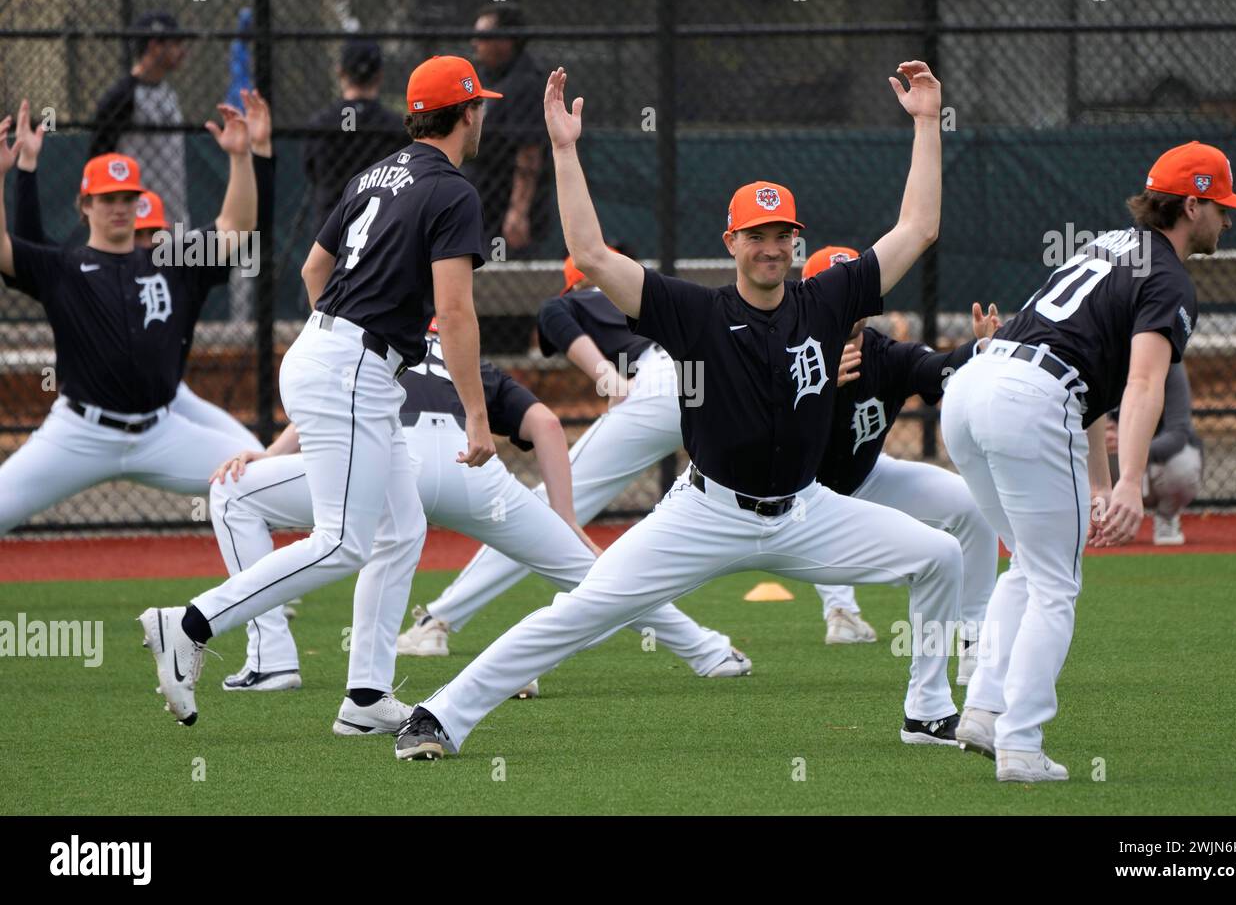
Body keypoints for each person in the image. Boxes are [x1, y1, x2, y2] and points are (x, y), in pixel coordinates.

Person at [392, 60, 961, 761]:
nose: (771, 247)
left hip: (807, 510)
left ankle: (928, 710)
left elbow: (919, 227)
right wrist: (565, 151)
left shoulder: (829, 298)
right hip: (708, 513)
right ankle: (441, 714)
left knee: (940, 555)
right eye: (756, 235)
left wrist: (928, 122)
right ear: (732, 244)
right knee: (584, 609)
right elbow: (592, 257)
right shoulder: (695, 312)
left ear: (796, 243)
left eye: (782, 234)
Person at [140, 55, 500, 734]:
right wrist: (476, 415)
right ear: (467, 112)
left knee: (401, 530)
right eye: (480, 104)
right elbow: (454, 314)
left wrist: (341, 338)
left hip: (326, 348)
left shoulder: (373, 174)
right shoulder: (454, 191)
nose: (484, 114)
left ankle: (364, 699)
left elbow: (315, 267)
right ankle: (187, 624)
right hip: (353, 364)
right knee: (342, 543)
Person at [208, 322, 748, 705]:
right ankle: (708, 652)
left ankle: (277, 660)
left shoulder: (369, 344)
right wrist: (567, 520)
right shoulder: (467, 362)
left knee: (239, 497)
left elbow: (340, 410)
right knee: (594, 573)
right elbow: (548, 426)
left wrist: (271, 454)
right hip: (473, 471)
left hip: (395, 458)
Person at [943, 141, 1236, 782]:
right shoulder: (1169, 277)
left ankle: (981, 711)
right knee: (1057, 584)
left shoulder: (1107, 243)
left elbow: (1091, 387)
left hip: (975, 387)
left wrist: (1105, 482)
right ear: (1191, 205)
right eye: (1221, 207)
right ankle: (1021, 746)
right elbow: (1141, 385)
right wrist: (1133, 483)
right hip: (1028, 399)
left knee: (1029, 566)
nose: (1228, 220)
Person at [395, 246, 692, 660]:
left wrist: (607, 377)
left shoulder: (567, 300)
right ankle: (726, 647)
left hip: (657, 388)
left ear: (575, 280)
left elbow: (557, 320)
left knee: (545, 515)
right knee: (783, 495)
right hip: (704, 381)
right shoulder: (644, 298)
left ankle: (439, 620)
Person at [0, 100, 258, 534]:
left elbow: (236, 226)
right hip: (80, 431)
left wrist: (239, 156)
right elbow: (4, 250)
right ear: (85, 205)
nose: (119, 207)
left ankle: (262, 603)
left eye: (127, 198)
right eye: (107, 199)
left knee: (259, 480)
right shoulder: (62, 266)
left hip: (161, 431)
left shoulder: (172, 259)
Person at [802, 245, 1002, 688]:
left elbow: (938, 369)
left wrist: (981, 350)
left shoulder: (885, 355)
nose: (846, 301)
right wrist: (815, 381)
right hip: (783, 502)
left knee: (971, 508)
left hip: (862, 481)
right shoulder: (786, 348)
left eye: (855, 289)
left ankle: (972, 642)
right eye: (833, 290)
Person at [464, 2, 550, 256]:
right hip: (481, 202)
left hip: (505, 209)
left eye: (483, 36)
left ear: (505, 41)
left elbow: (530, 151)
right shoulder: (484, 77)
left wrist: (518, 212)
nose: (474, 42)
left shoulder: (525, 82)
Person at [90, 11, 191, 227]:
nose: (183, 52)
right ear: (155, 46)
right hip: (137, 221)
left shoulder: (169, 93)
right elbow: (98, 156)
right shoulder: (123, 96)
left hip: (174, 214)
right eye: (176, 44)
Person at [303, 38, 408, 233]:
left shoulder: (322, 123)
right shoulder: (396, 126)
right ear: (379, 75)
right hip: (382, 232)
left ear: (341, 71)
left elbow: (312, 171)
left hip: (332, 233)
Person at [1105, 362, 1202, 546]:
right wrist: (1098, 437)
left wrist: (1128, 444)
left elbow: (1178, 433)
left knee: (1183, 466)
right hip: (1110, 463)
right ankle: (1102, 518)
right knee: (1077, 450)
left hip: (1154, 463)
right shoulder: (1099, 352)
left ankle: (1167, 517)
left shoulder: (1169, 361)